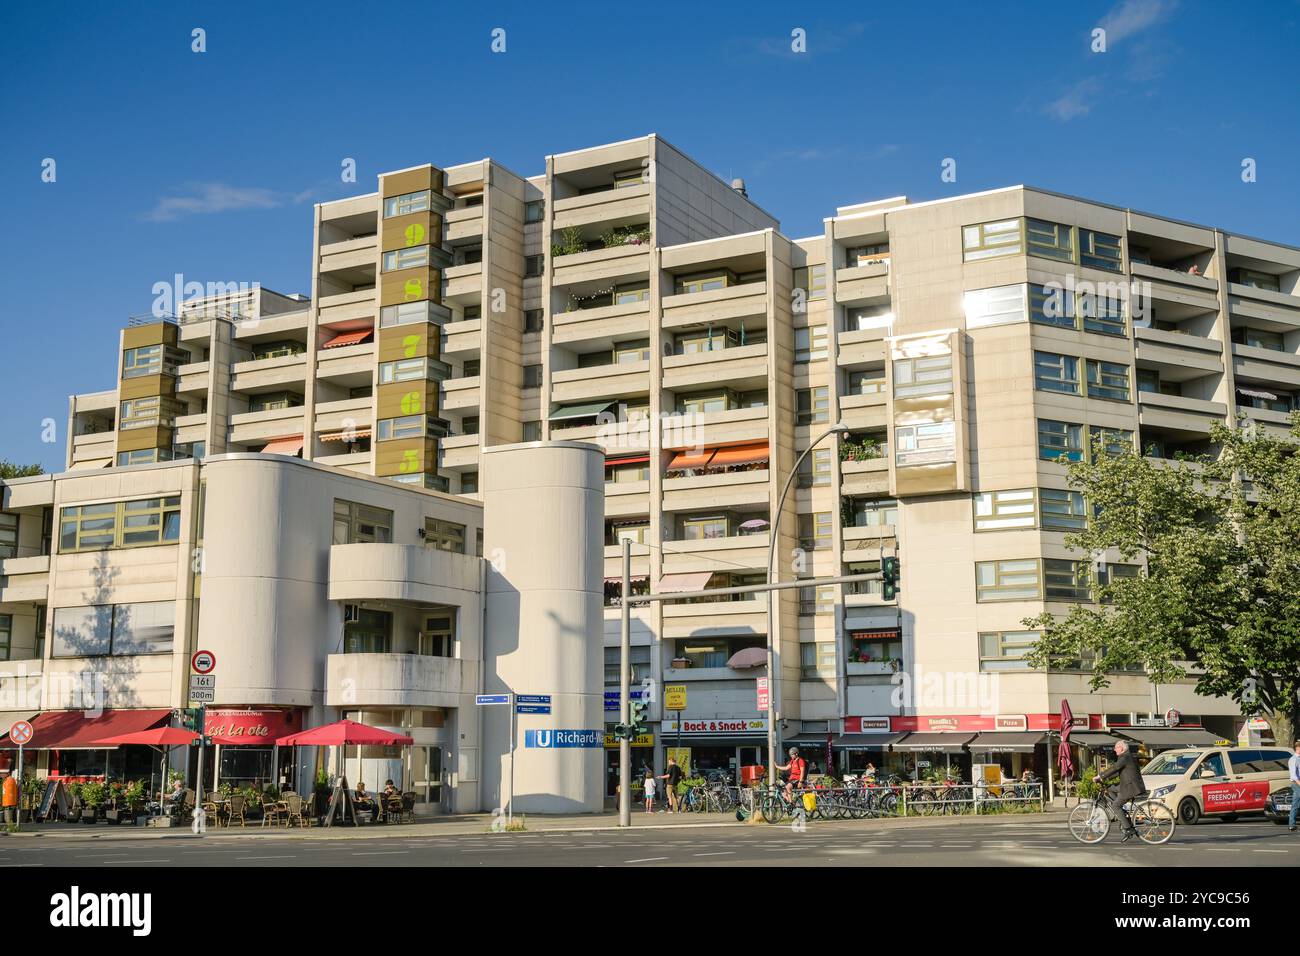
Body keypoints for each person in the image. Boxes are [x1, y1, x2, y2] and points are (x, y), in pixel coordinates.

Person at [1095, 741, 1146, 842]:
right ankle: (1121, 811)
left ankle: (1128, 829)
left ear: (1121, 748)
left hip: (1130, 787)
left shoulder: (1125, 757)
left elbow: (1115, 768)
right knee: (1109, 788)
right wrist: (1105, 779)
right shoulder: (1126, 756)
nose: (1114, 749)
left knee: (1115, 806)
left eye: (1116, 748)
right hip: (1127, 784)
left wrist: (1100, 776)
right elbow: (1118, 771)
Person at [1288, 739, 1300, 832]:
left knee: (1295, 804)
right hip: (1296, 783)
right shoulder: (1293, 759)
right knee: (1296, 803)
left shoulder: (1298, 759)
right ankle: (1291, 824)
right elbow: (1293, 775)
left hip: (1297, 783)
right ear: (1297, 748)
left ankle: (1292, 824)